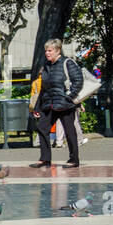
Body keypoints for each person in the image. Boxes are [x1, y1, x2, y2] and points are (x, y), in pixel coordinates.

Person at [31, 39, 82, 169]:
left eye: (50, 50)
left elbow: (78, 81)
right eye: (46, 50)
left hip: (65, 104)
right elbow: (43, 88)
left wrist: (69, 97)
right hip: (49, 104)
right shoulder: (46, 66)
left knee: (70, 132)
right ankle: (45, 159)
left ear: (58, 50)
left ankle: (74, 159)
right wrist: (37, 107)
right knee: (42, 128)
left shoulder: (67, 63)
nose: (47, 53)